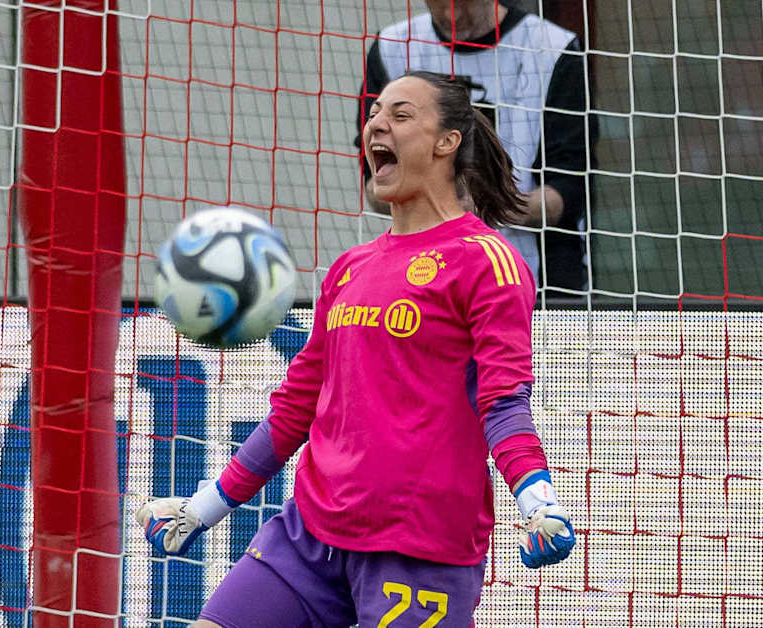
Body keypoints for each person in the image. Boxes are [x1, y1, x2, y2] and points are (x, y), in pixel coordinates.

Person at [135, 71, 575, 628]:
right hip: (309, 536)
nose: (376, 124)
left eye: (400, 113)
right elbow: (293, 410)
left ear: (447, 142)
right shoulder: (350, 268)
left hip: (418, 551)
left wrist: (537, 501)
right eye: (373, 114)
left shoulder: (486, 260)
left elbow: (504, 401)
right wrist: (203, 509)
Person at [355, 0, 592, 294]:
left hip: (542, 280)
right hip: (421, 277)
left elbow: (569, 190)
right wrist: (435, 203)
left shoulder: (553, 48)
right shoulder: (393, 46)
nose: (451, 14)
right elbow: (373, 185)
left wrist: (486, 204)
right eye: (437, 3)